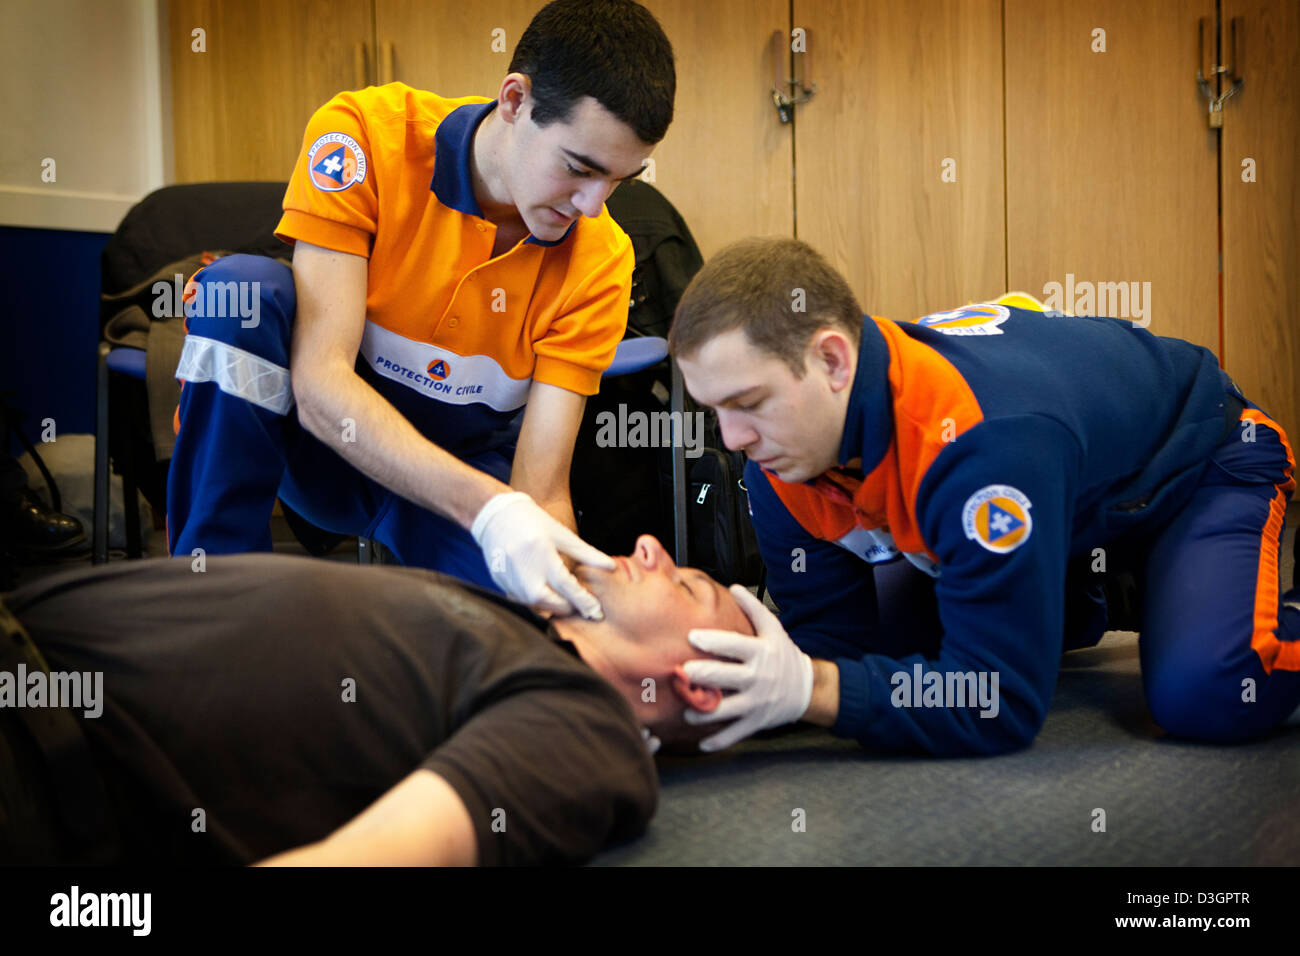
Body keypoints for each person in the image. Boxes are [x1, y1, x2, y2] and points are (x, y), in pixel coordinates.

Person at [667, 236, 1300, 755]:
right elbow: (837, 646)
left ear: (834, 362)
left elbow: (996, 701)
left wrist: (811, 689)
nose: (732, 438)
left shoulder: (981, 448)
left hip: (1201, 461)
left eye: (747, 403)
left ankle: (1162, 584)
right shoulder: (779, 455)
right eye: (713, 410)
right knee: (903, 657)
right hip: (1074, 493)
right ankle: (1100, 591)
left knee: (1207, 693)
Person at [165, 0, 676, 618]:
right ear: (515, 100)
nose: (593, 207)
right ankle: (207, 604)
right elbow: (322, 382)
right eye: (578, 169)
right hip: (323, 451)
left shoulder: (602, 259)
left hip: (455, 482)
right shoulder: (363, 134)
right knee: (238, 291)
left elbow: (540, 490)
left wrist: (572, 604)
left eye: (622, 180)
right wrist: (487, 510)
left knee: (531, 627)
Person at [0, 536, 751, 866]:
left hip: (40, 763)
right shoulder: (519, 634)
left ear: (698, 684)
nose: (651, 545)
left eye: (690, 587)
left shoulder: (584, 726)